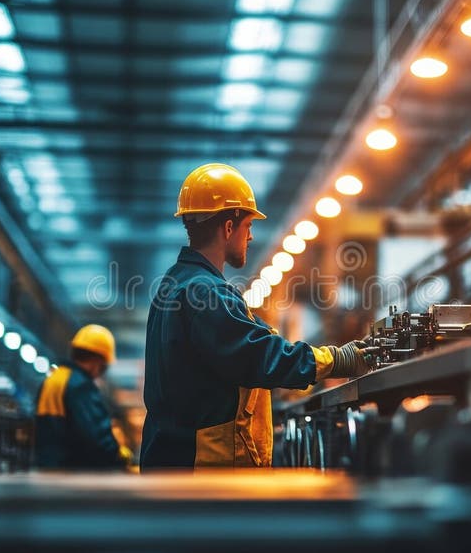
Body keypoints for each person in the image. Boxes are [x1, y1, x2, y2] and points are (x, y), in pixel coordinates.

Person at [141, 163, 371, 470]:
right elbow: (260, 355)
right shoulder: (205, 292)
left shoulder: (175, 284)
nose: (250, 237)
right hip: (204, 473)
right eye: (248, 226)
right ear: (227, 228)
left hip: (173, 459)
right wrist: (337, 359)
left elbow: (252, 336)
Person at [35, 324, 133, 470]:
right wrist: (118, 457)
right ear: (97, 361)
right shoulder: (80, 385)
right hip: (74, 473)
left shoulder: (53, 379)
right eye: (104, 365)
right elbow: (96, 436)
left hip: (48, 468)